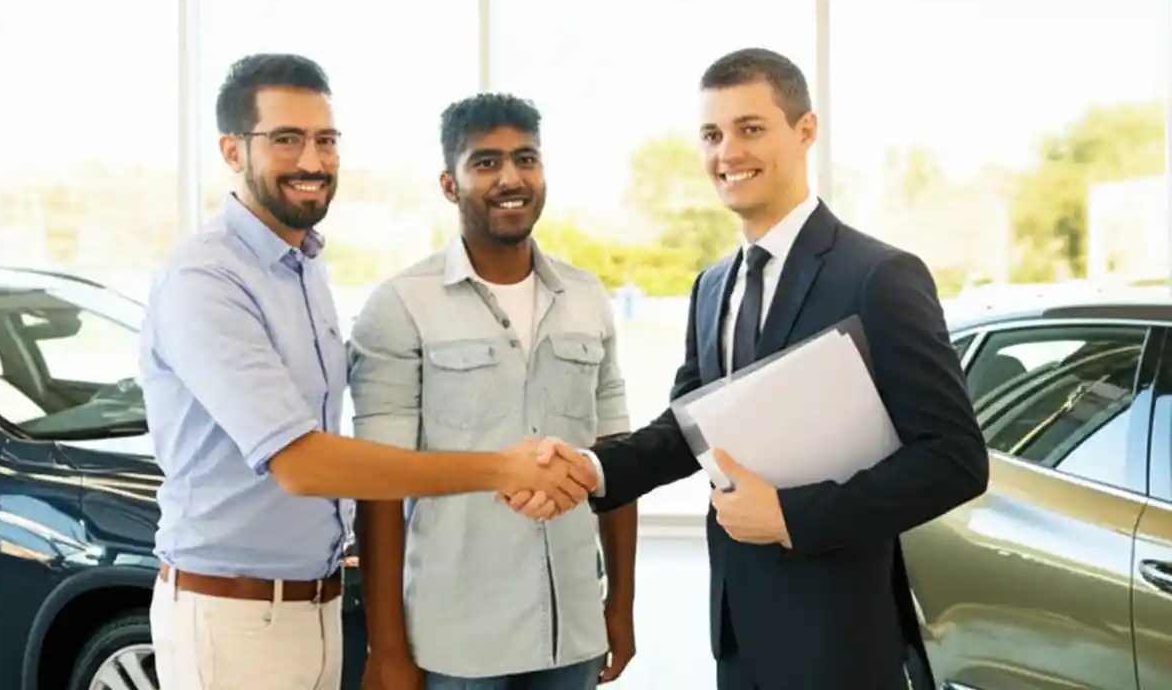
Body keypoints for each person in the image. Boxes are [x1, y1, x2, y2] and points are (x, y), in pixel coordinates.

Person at [514, 47, 989, 689]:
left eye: (750, 128)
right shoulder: (712, 287)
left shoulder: (879, 276)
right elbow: (689, 430)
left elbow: (955, 458)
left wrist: (794, 516)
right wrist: (593, 468)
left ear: (806, 131)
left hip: (839, 639)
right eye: (712, 135)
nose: (727, 152)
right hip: (740, 638)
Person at [139, 54, 596, 690]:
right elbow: (302, 464)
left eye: (326, 141)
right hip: (234, 618)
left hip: (316, 605)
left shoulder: (302, 267)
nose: (312, 161)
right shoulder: (206, 279)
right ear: (232, 151)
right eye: (287, 139)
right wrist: (502, 467)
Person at [348, 93, 639, 690]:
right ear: (449, 184)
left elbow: (617, 461)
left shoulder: (587, 298)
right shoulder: (402, 305)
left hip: (573, 632)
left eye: (526, 159)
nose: (511, 177)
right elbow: (378, 488)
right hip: (455, 642)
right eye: (485, 162)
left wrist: (621, 607)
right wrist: (388, 647)